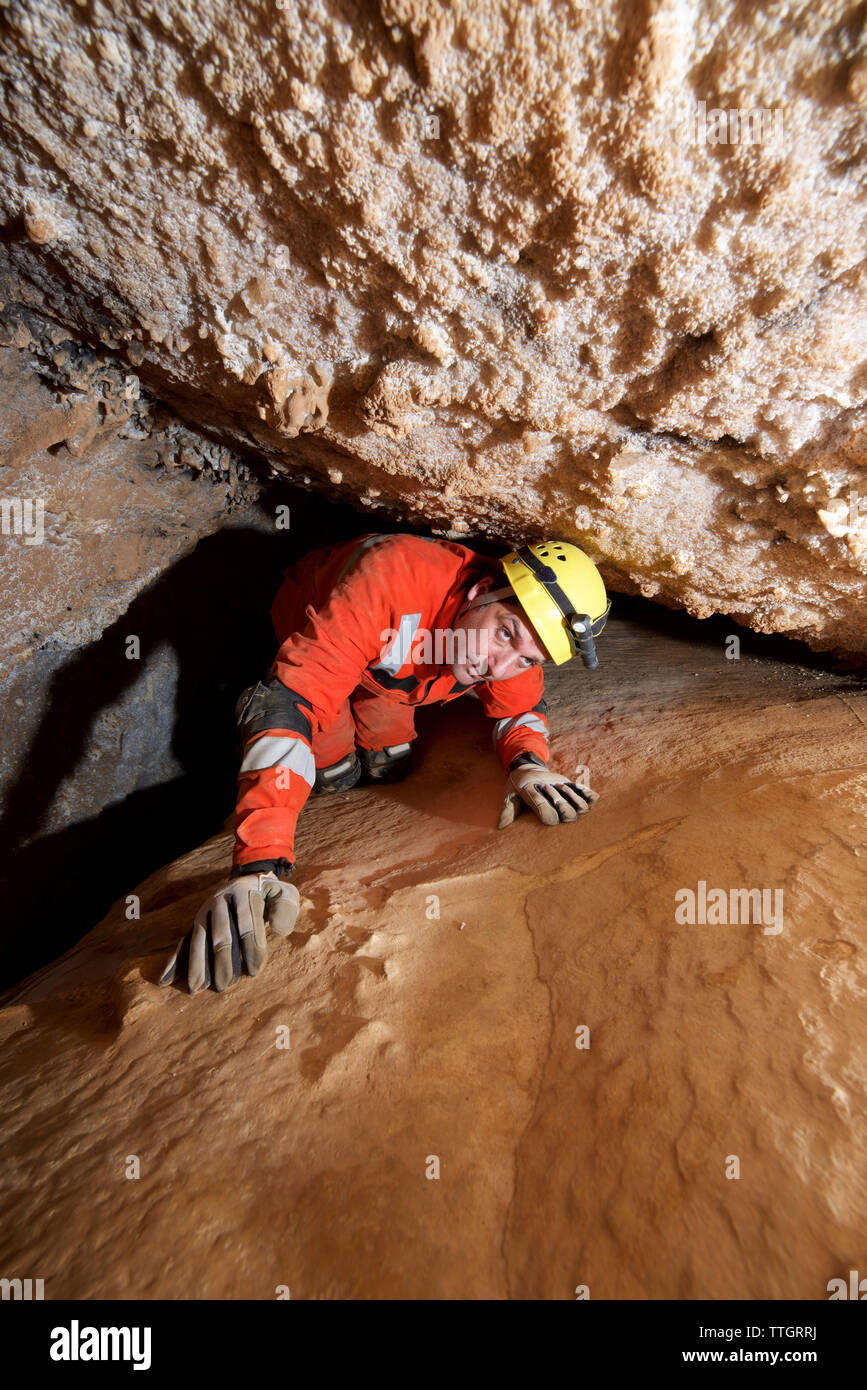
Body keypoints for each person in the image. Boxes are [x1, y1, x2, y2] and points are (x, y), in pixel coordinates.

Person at [160, 532, 610, 993]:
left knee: (390, 753)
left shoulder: (498, 646)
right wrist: (258, 862)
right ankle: (328, 773)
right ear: (481, 592)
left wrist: (528, 763)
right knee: (330, 763)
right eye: (505, 632)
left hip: (405, 664)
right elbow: (293, 701)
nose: (498, 665)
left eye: (525, 658)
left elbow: (519, 709)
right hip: (335, 630)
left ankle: (370, 758)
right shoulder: (391, 576)